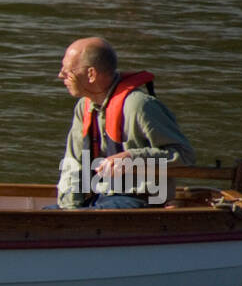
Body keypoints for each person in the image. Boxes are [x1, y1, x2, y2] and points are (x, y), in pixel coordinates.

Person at [54, 38, 194, 209]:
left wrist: (132, 157)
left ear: (91, 74)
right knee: (46, 216)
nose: (60, 75)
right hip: (100, 197)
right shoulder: (84, 107)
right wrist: (69, 210)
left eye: (68, 71)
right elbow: (73, 163)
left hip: (138, 200)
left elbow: (184, 155)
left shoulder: (140, 106)